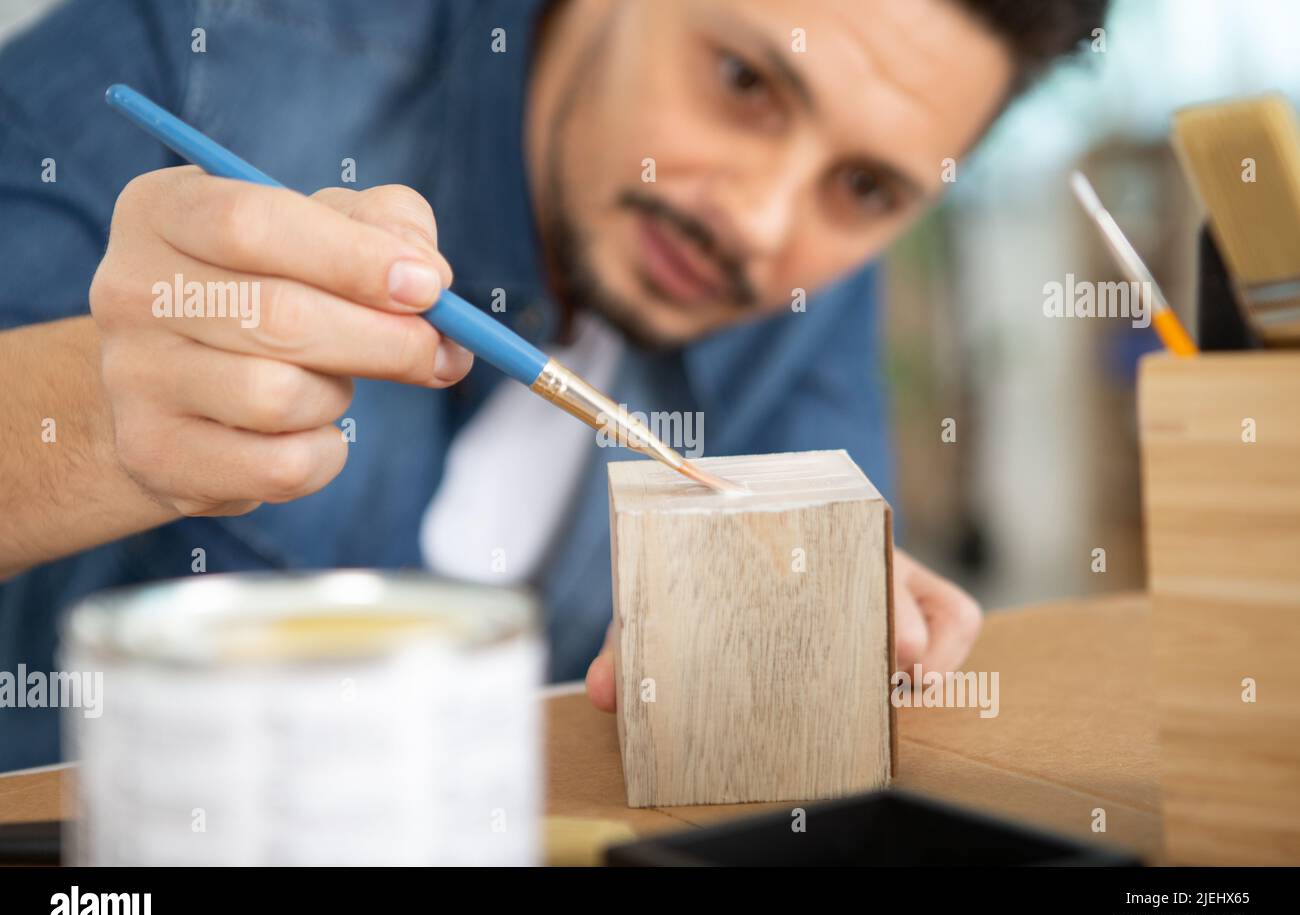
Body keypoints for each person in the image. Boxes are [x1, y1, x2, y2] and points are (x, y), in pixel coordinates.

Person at [0, 0, 1107, 770]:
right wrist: (101, 416)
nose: (762, 223)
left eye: (864, 186)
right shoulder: (202, 52)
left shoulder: (806, 279)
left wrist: (816, 624)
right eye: (743, 83)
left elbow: (811, 565)